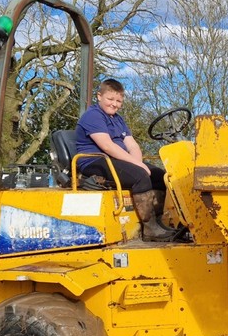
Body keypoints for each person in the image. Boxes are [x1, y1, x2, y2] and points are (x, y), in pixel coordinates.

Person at [75, 78, 175, 241]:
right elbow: (107, 146)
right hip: (94, 161)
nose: (114, 104)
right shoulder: (93, 116)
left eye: (118, 101)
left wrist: (139, 163)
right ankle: (150, 229)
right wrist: (138, 166)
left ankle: (159, 221)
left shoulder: (117, 119)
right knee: (140, 176)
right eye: (110, 99)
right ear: (99, 96)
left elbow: (132, 145)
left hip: (115, 160)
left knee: (159, 176)